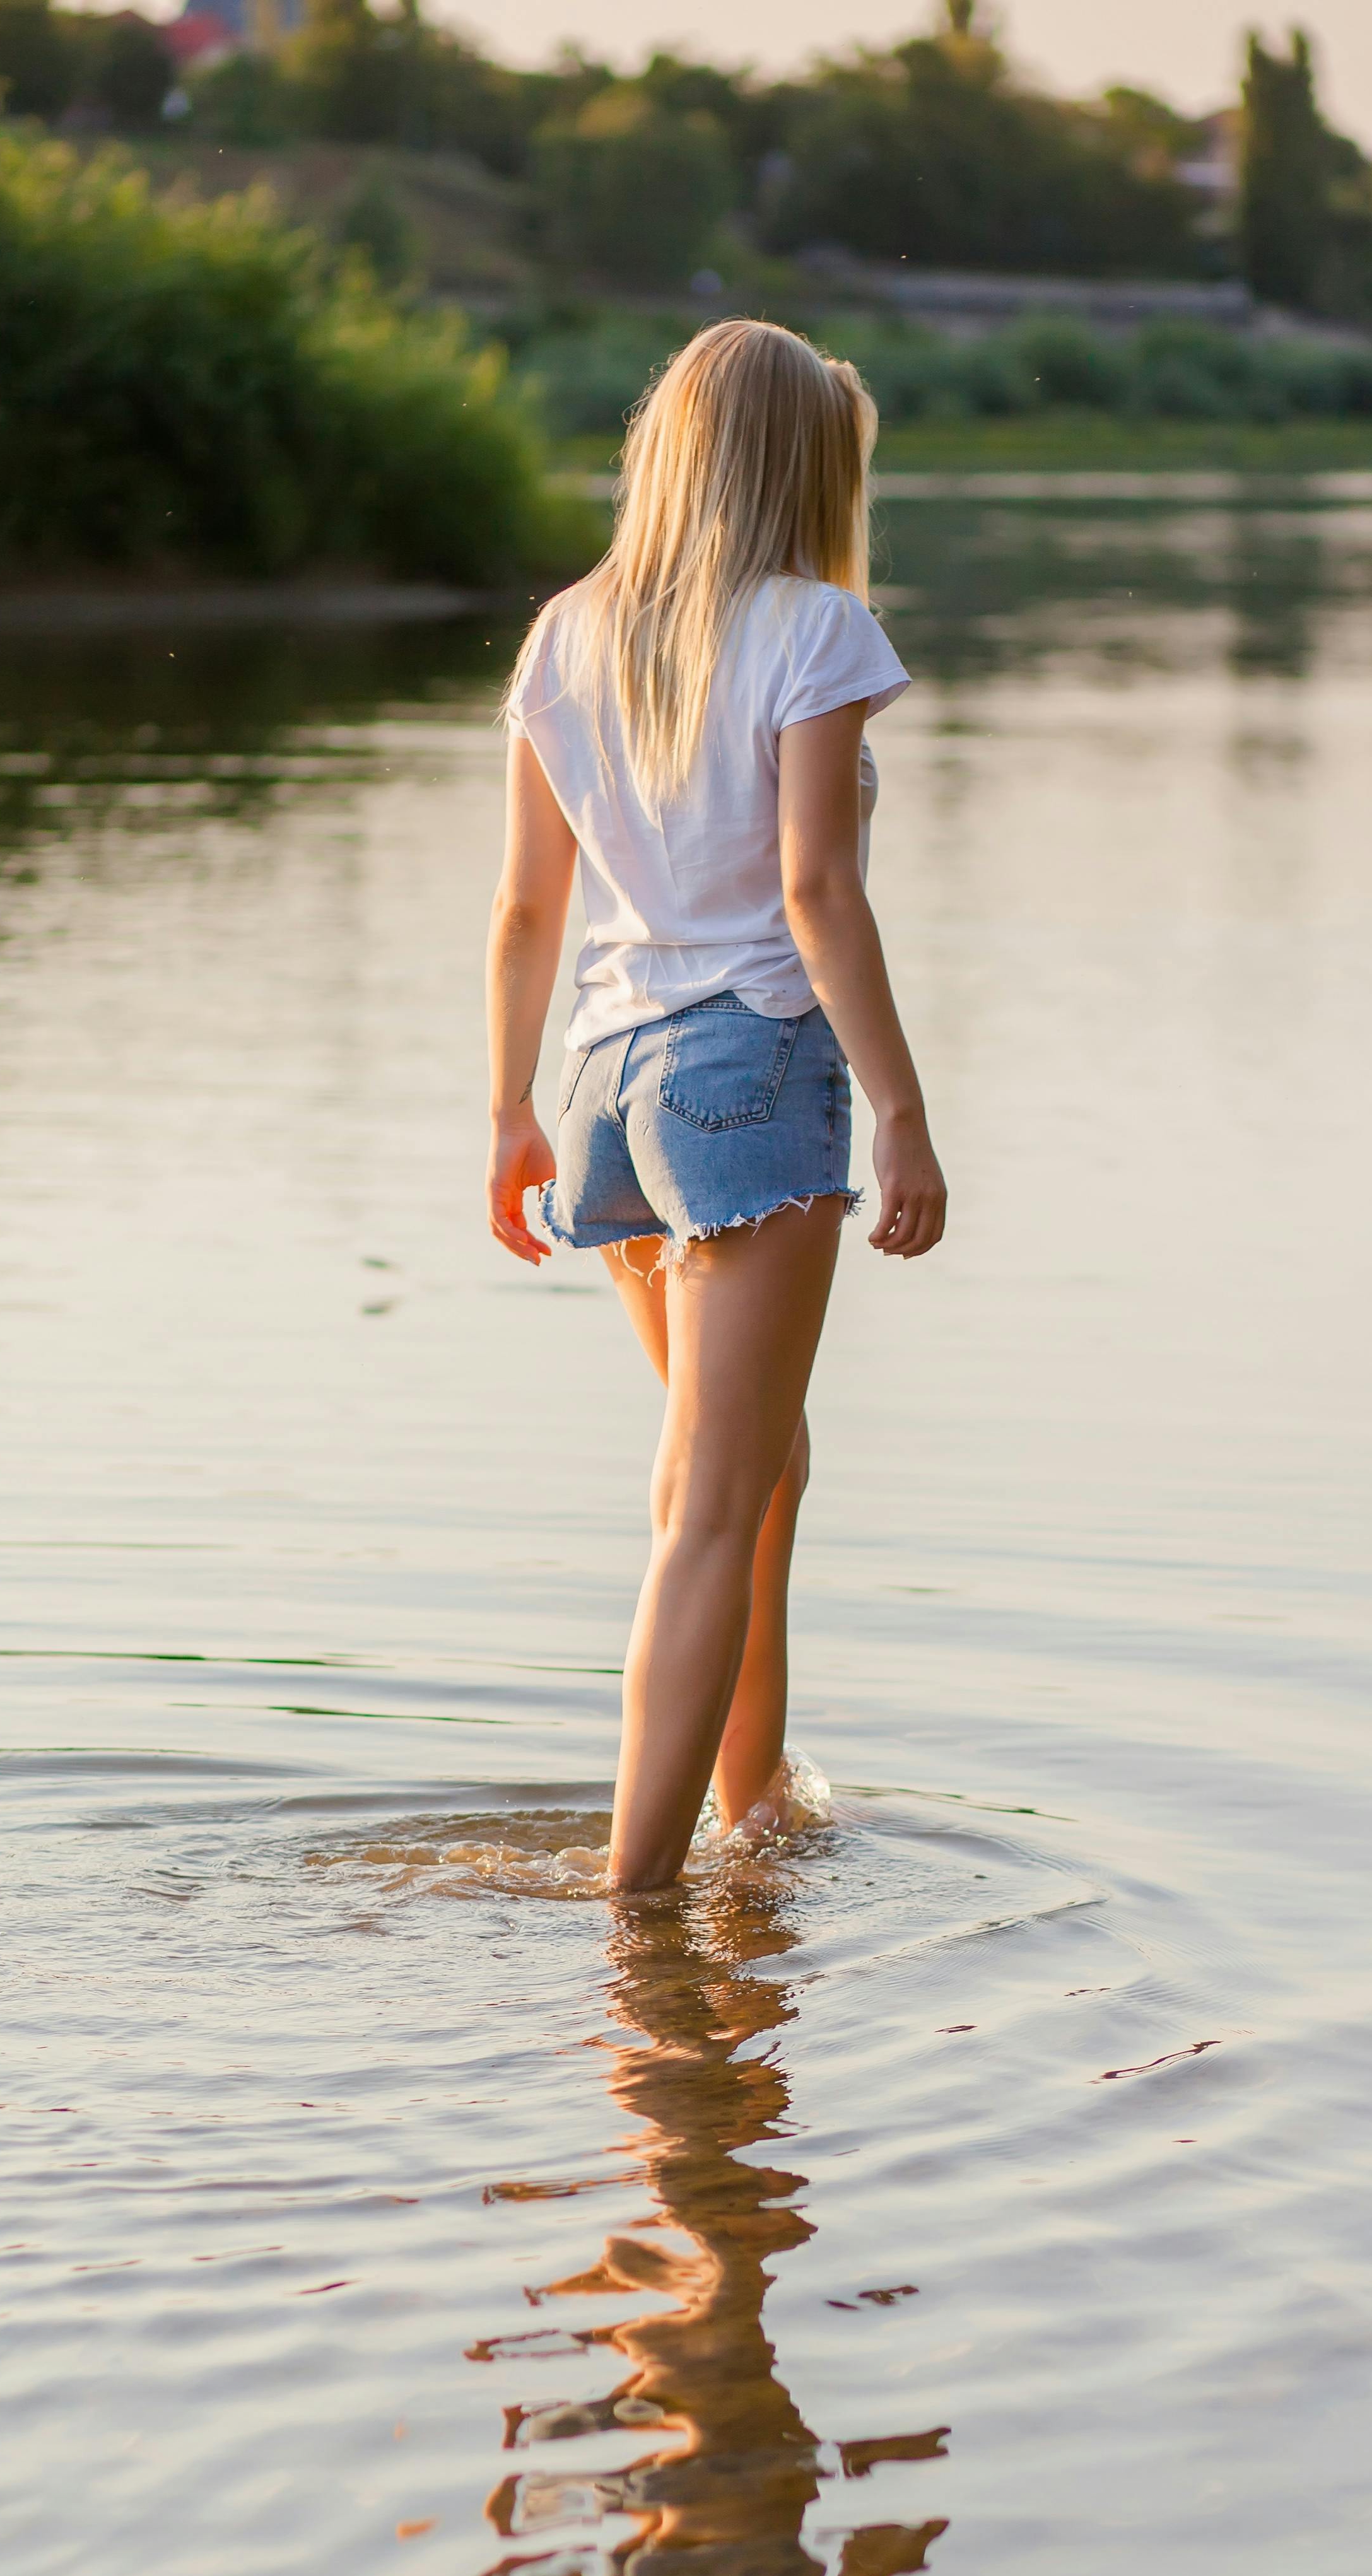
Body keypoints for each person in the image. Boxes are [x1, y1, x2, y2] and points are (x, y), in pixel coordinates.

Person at [484, 318, 946, 1897]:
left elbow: (524, 915)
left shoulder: (567, 632)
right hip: (750, 1069)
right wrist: (899, 1110)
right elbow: (814, 889)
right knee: (704, 1502)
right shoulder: (816, 626)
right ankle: (638, 1897)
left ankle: (753, 1813)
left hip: (609, 1085)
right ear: (801, 465)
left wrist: (507, 1116)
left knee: (757, 1467)